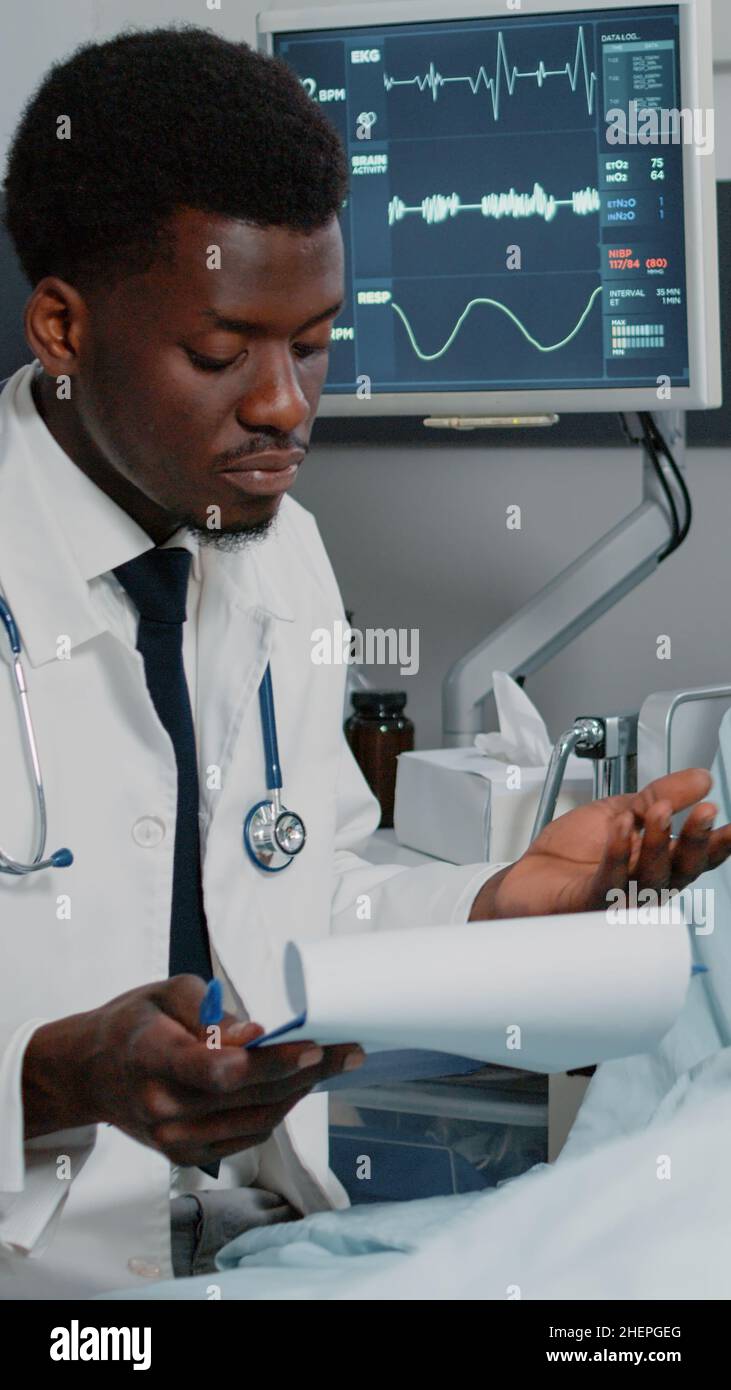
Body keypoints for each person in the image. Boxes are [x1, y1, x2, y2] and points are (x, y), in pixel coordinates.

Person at [0, 27, 728, 1300]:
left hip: (261, 1238)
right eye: (224, 354)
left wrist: (494, 903)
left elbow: (307, 892)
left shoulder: (284, 559)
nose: (286, 405)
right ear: (62, 326)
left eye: (318, 341)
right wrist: (54, 1075)